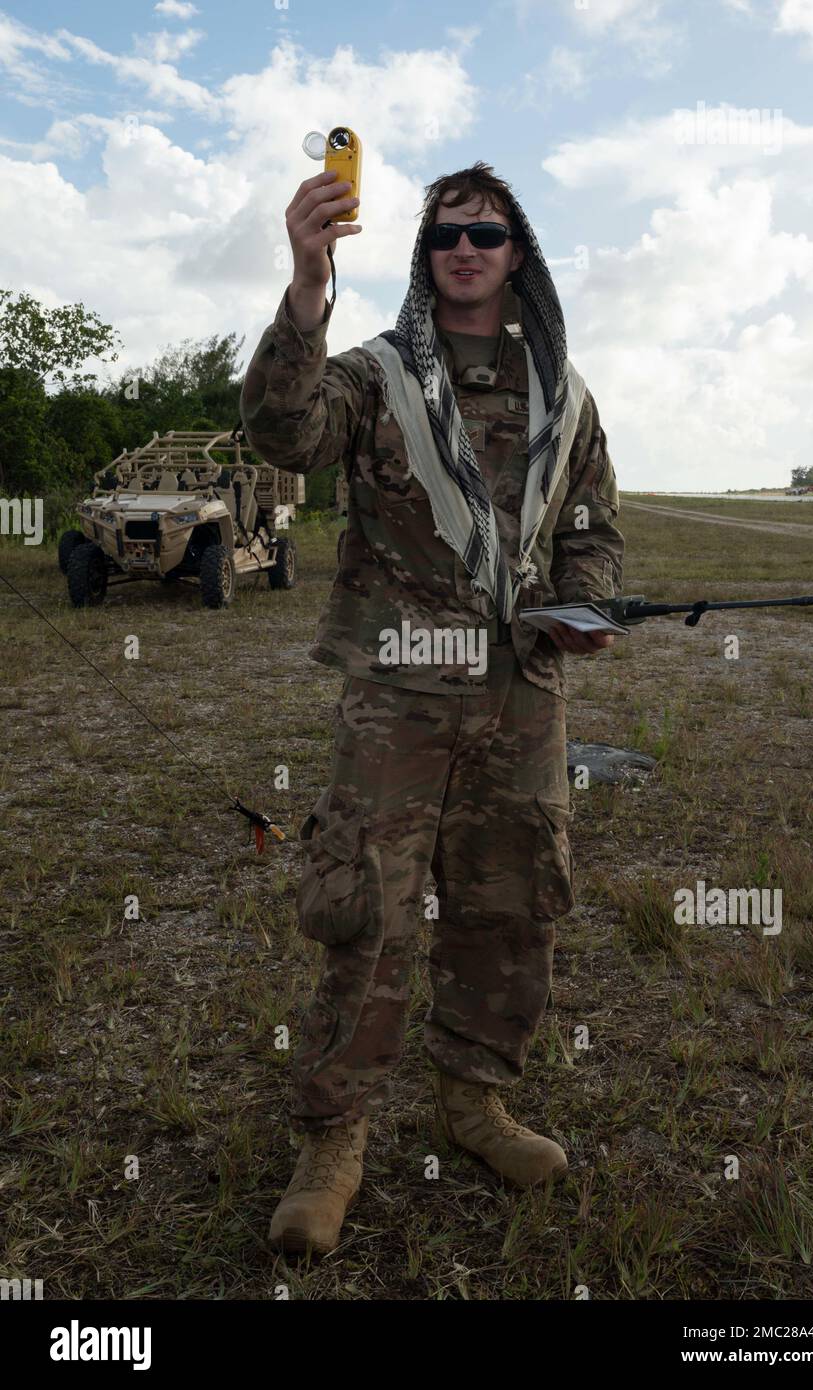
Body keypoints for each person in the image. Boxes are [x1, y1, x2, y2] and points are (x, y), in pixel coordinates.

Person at [239, 160, 625, 1255]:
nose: (465, 248)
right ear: (424, 253)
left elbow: (592, 523)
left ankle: (474, 1104)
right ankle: (335, 1140)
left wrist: (578, 605)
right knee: (365, 909)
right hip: (397, 699)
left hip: (521, 693)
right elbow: (283, 435)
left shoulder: (563, 394)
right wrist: (308, 281)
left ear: (517, 253)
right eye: (447, 234)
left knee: (510, 905)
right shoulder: (375, 374)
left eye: (487, 234)